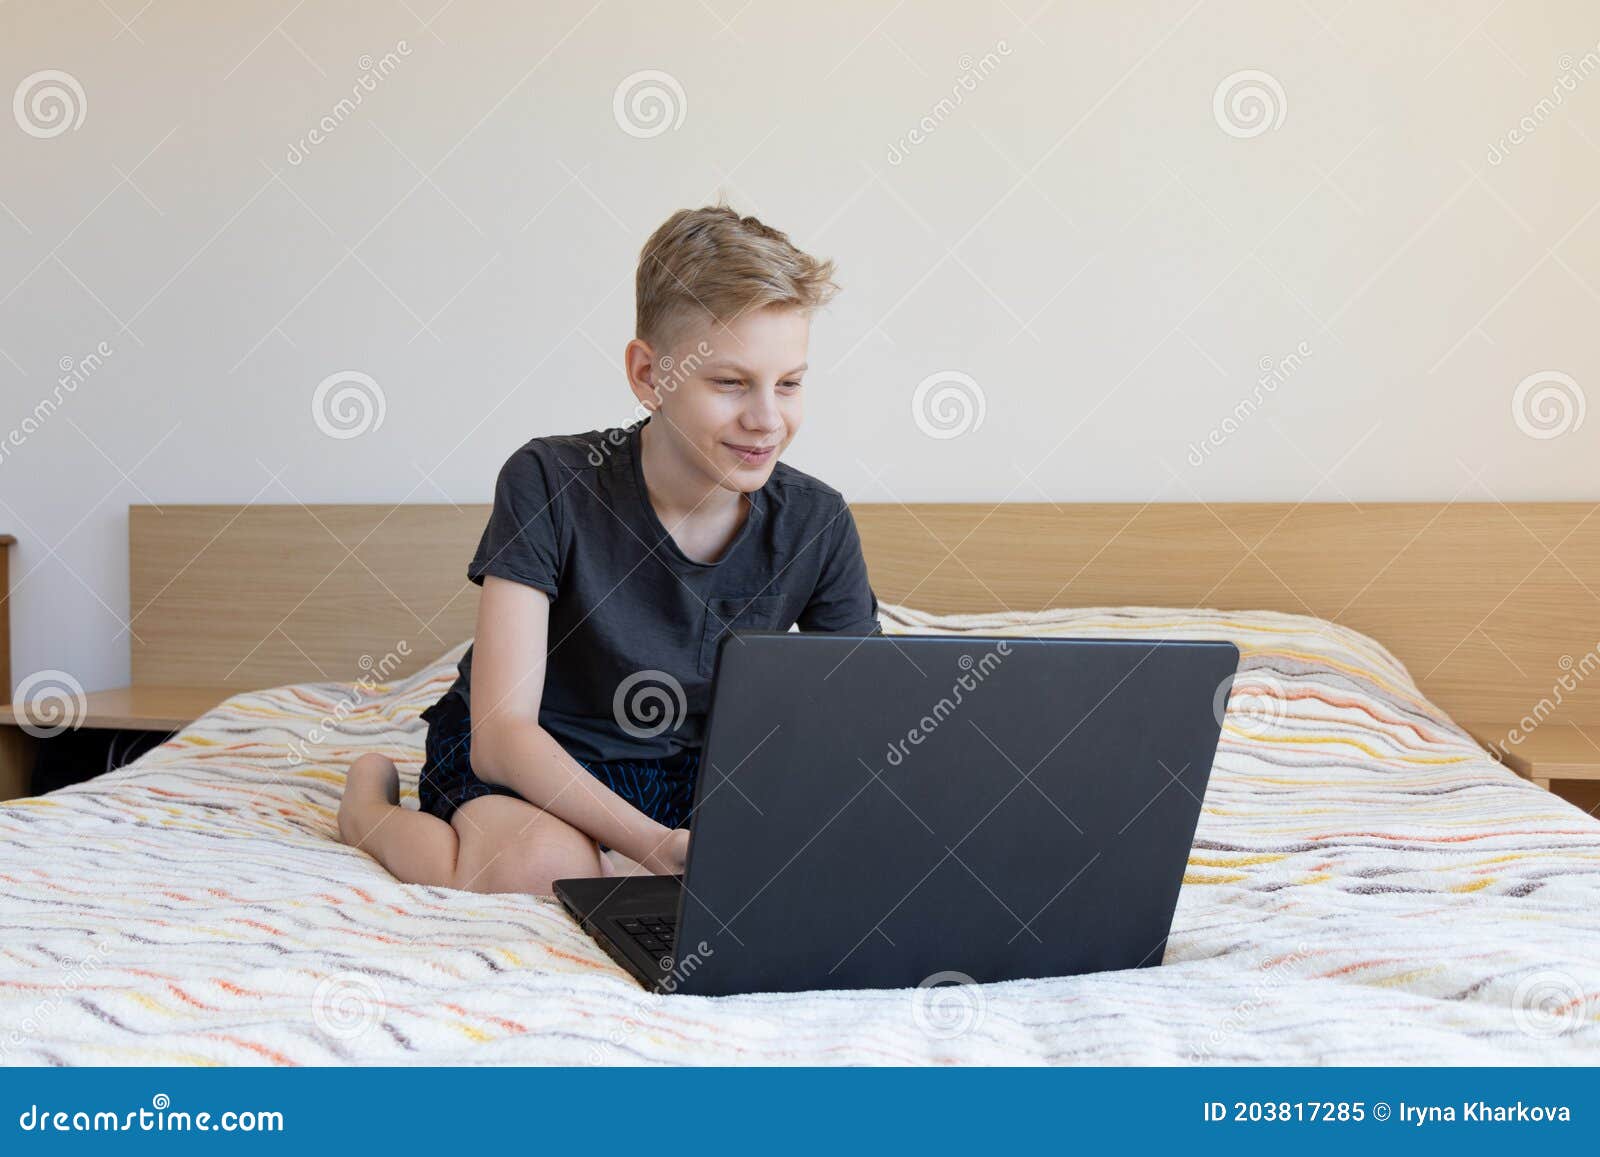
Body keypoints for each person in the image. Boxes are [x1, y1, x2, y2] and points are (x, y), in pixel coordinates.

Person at [337, 205, 880, 896]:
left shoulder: (817, 520)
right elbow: (502, 733)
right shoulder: (548, 481)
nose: (767, 419)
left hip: (694, 776)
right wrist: (654, 845)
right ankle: (367, 811)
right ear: (650, 374)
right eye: (730, 382)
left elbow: (861, 723)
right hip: (536, 757)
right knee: (538, 870)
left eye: (790, 383)